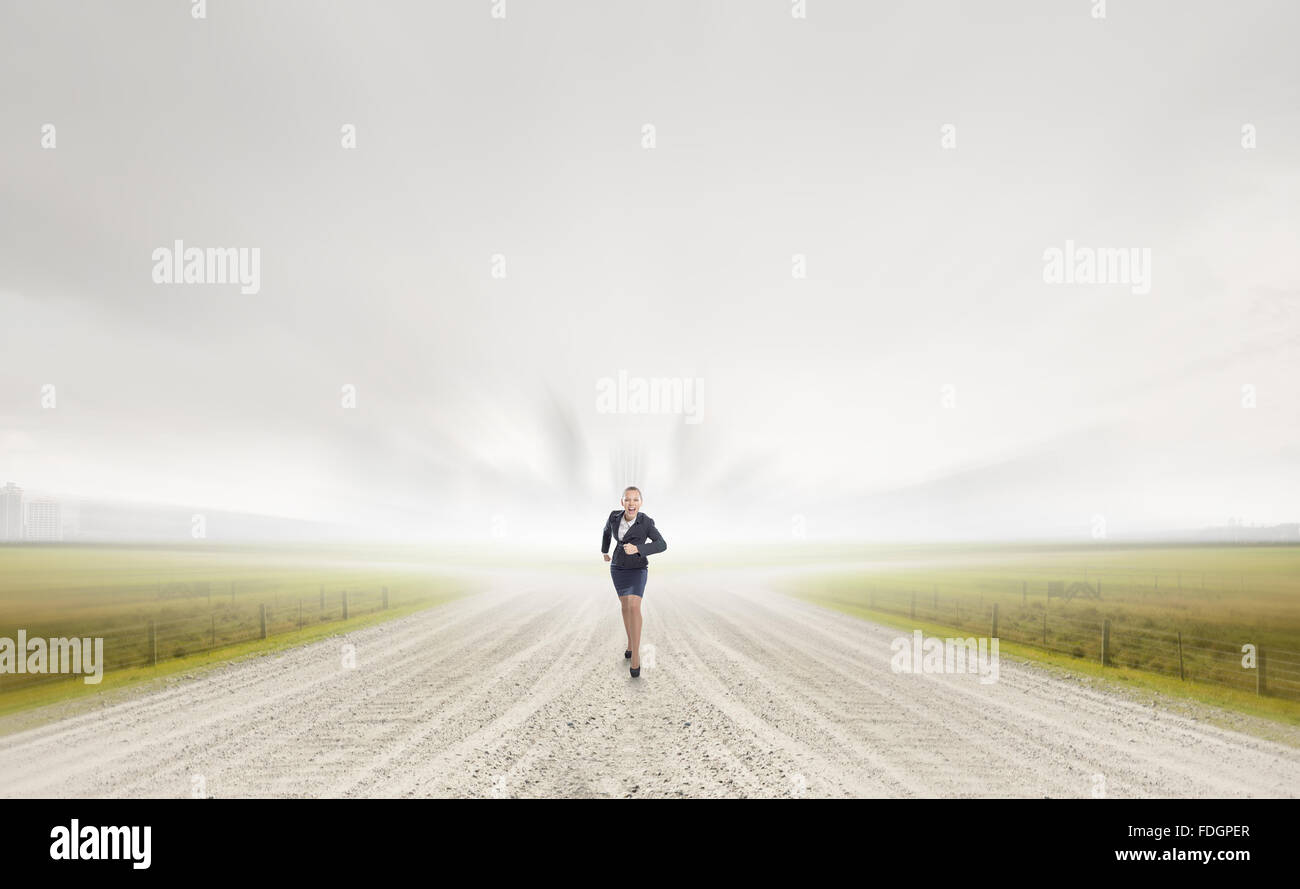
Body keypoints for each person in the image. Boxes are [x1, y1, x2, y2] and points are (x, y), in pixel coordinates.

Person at [601, 486, 667, 678]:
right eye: (628, 500)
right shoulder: (614, 517)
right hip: (618, 567)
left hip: (637, 568)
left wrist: (639, 548)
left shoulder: (646, 522)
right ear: (622, 502)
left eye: (635, 500)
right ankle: (630, 643)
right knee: (625, 606)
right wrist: (605, 551)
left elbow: (662, 544)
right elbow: (606, 532)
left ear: (640, 503)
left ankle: (636, 655)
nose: (631, 503)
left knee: (634, 605)